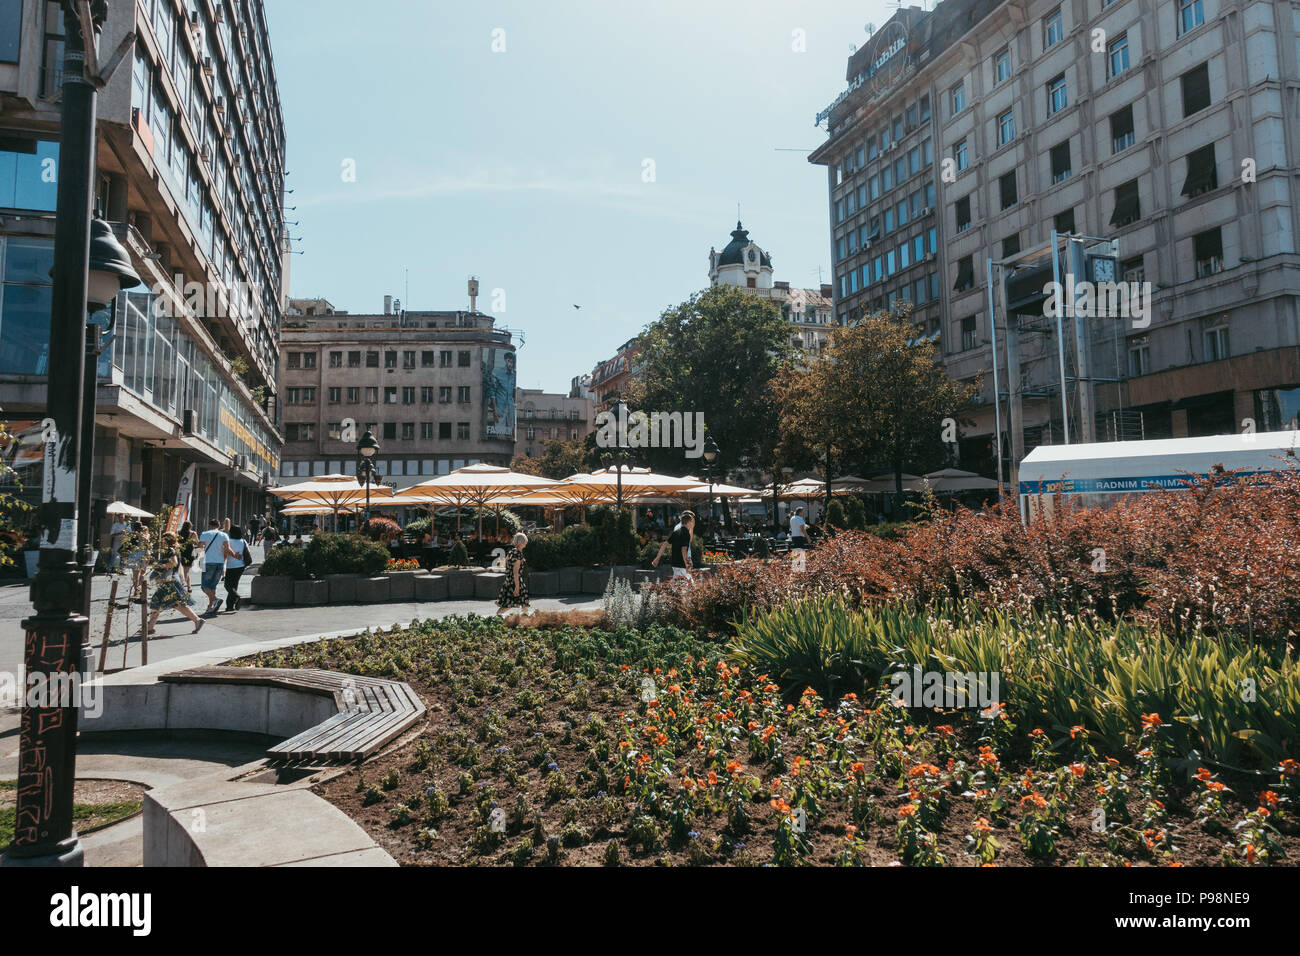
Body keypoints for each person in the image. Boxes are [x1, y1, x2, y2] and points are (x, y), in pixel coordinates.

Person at [143, 533, 204, 635]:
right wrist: (181, 578)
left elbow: (174, 563)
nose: (162, 542)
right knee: (177, 604)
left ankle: (149, 628)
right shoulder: (175, 549)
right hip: (171, 580)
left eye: (163, 540)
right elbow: (178, 566)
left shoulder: (170, 550)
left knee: (157, 601)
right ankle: (197, 621)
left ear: (167, 540)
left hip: (169, 581)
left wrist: (160, 566)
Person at [198, 519, 237, 615]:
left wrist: (198, 562)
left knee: (204, 586)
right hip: (219, 563)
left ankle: (216, 600)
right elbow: (227, 549)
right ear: (219, 526)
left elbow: (199, 548)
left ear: (210, 525)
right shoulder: (224, 535)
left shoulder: (204, 534)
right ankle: (210, 607)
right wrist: (236, 556)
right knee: (212, 586)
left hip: (208, 562)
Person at [652, 510, 695, 581]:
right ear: (689, 522)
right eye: (692, 522)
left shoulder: (676, 532)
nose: (693, 523)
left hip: (675, 564)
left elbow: (664, 544)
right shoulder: (686, 533)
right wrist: (687, 565)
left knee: (681, 587)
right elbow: (683, 550)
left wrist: (657, 558)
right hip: (682, 566)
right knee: (686, 588)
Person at [496, 532, 531, 615]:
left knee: (522, 602)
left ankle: (525, 619)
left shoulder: (512, 551)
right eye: (525, 541)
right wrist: (517, 587)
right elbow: (516, 572)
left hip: (509, 580)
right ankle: (497, 617)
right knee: (509, 604)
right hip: (515, 581)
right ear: (521, 542)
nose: (526, 543)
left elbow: (505, 564)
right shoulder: (518, 555)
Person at [223, 525, 250, 612]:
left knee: (227, 585)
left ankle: (237, 597)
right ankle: (230, 606)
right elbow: (248, 553)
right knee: (234, 585)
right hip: (240, 566)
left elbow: (225, 551)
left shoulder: (228, 541)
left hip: (229, 566)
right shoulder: (243, 541)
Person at [177, 520, 198, 589]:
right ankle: (188, 586)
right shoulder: (193, 534)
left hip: (182, 551)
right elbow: (198, 543)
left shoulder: (179, 533)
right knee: (187, 571)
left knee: (181, 569)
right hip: (190, 552)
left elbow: (177, 543)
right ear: (190, 526)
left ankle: (187, 585)